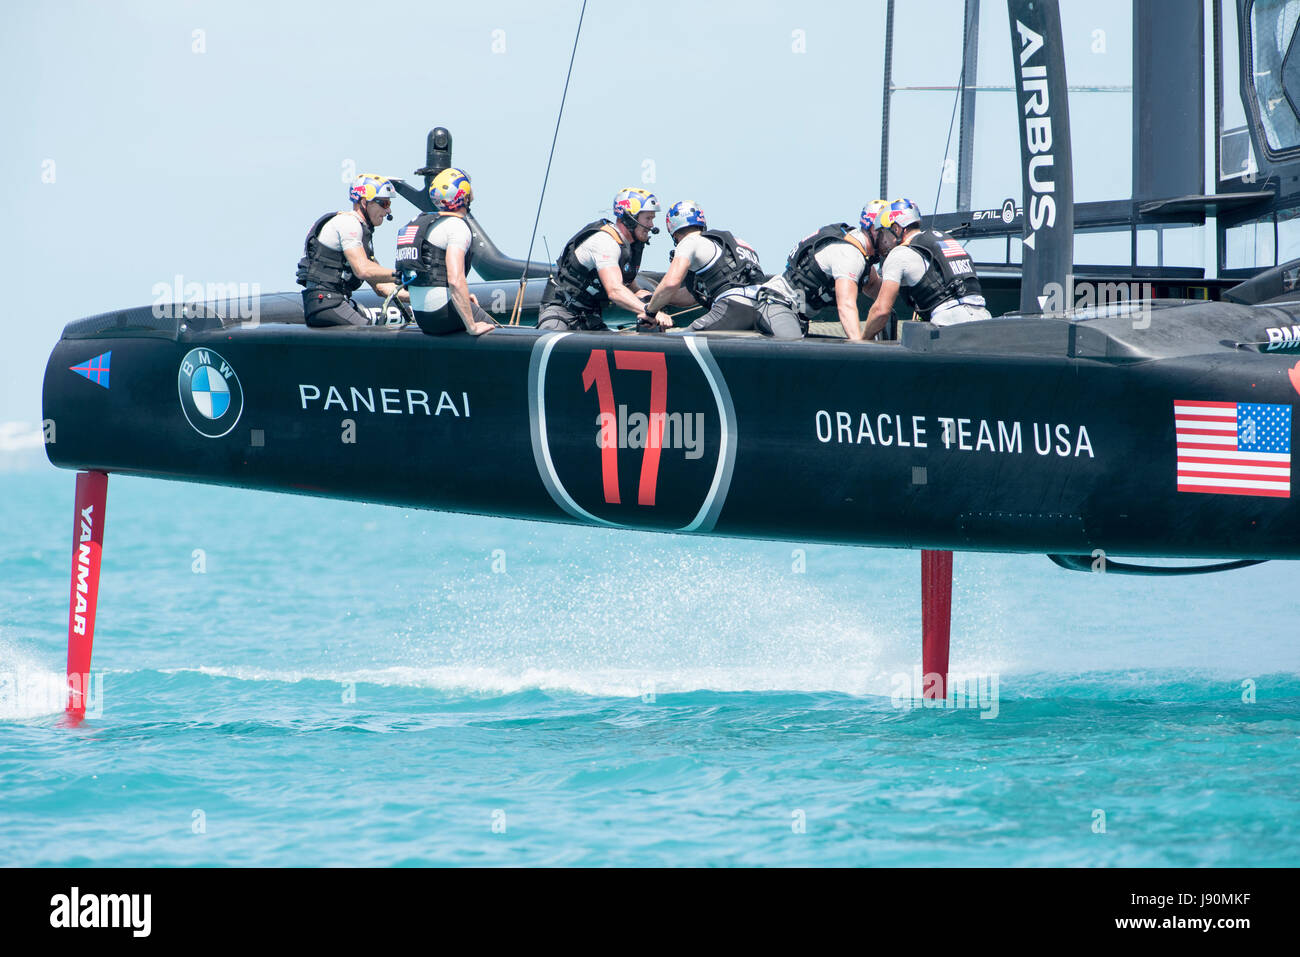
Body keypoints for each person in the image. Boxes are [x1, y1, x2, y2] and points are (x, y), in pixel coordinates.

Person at [753, 201, 886, 341]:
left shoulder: (861, 256)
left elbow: (875, 288)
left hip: (796, 315)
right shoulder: (850, 255)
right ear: (874, 229)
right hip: (776, 303)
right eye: (888, 231)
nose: (893, 239)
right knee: (794, 350)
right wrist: (860, 347)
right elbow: (846, 306)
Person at [537, 188, 665, 332]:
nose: (651, 225)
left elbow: (627, 283)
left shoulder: (628, 246)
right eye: (648, 218)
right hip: (561, 312)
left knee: (616, 346)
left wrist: (644, 296)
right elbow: (614, 290)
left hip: (590, 317)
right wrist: (649, 311)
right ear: (630, 218)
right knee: (554, 338)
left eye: (652, 219)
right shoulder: (606, 242)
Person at [864, 198, 990, 338]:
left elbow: (881, 311)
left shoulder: (899, 253)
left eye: (882, 232)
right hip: (983, 319)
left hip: (949, 325)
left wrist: (862, 341)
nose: (882, 240)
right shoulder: (944, 240)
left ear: (896, 229)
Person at [295, 174, 407, 327]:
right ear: (364, 202)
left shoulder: (360, 233)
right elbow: (363, 270)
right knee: (373, 336)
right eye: (384, 203)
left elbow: (381, 286)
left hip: (333, 301)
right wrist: (402, 274)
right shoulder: (349, 223)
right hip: (327, 303)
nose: (388, 210)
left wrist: (420, 297)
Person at [395, 167, 495, 336]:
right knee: (493, 331)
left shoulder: (422, 223)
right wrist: (472, 326)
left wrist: (462, 299)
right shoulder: (457, 226)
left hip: (422, 317)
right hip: (443, 313)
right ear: (464, 194)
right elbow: (455, 280)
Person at [644, 201, 766, 332]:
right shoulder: (730, 243)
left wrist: (650, 311)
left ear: (673, 232)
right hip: (763, 308)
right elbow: (692, 295)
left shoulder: (689, 241)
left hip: (733, 306)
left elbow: (670, 283)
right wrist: (657, 297)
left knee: (683, 340)